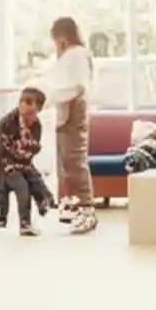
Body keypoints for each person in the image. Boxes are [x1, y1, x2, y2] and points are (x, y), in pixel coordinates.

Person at [45, 16, 97, 234]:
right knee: (68, 163)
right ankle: (79, 207)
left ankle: (87, 209)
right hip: (66, 113)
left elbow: (76, 87)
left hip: (73, 112)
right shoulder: (71, 56)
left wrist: (51, 96)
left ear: (61, 37)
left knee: (74, 162)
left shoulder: (76, 55)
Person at [0, 87, 54, 235]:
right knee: (22, 186)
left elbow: (34, 149)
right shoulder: (5, 122)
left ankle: (44, 204)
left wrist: (24, 150)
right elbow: (5, 149)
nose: (24, 105)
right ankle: (24, 224)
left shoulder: (36, 125)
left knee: (37, 181)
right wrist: (24, 150)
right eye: (22, 101)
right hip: (5, 164)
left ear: (37, 107)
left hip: (24, 163)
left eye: (28, 102)